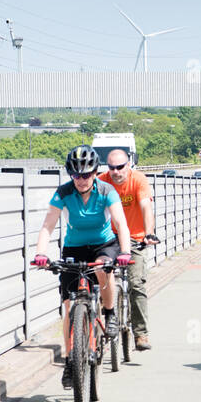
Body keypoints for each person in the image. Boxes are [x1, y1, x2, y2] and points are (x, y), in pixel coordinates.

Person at [32, 145, 133, 388]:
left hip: (103, 244)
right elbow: (48, 225)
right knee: (69, 307)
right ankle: (69, 361)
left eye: (86, 174)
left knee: (101, 268)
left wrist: (125, 251)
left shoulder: (107, 190)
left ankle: (109, 312)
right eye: (76, 175)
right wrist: (40, 253)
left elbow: (120, 222)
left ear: (95, 173)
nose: (81, 180)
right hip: (74, 248)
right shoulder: (63, 193)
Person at [97, 148, 160, 349]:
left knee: (135, 284)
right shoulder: (101, 181)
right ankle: (99, 323)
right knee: (99, 278)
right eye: (111, 168)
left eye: (120, 167)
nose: (116, 172)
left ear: (129, 165)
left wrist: (148, 233)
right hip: (109, 240)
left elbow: (146, 207)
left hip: (135, 240)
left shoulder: (139, 180)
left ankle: (141, 334)